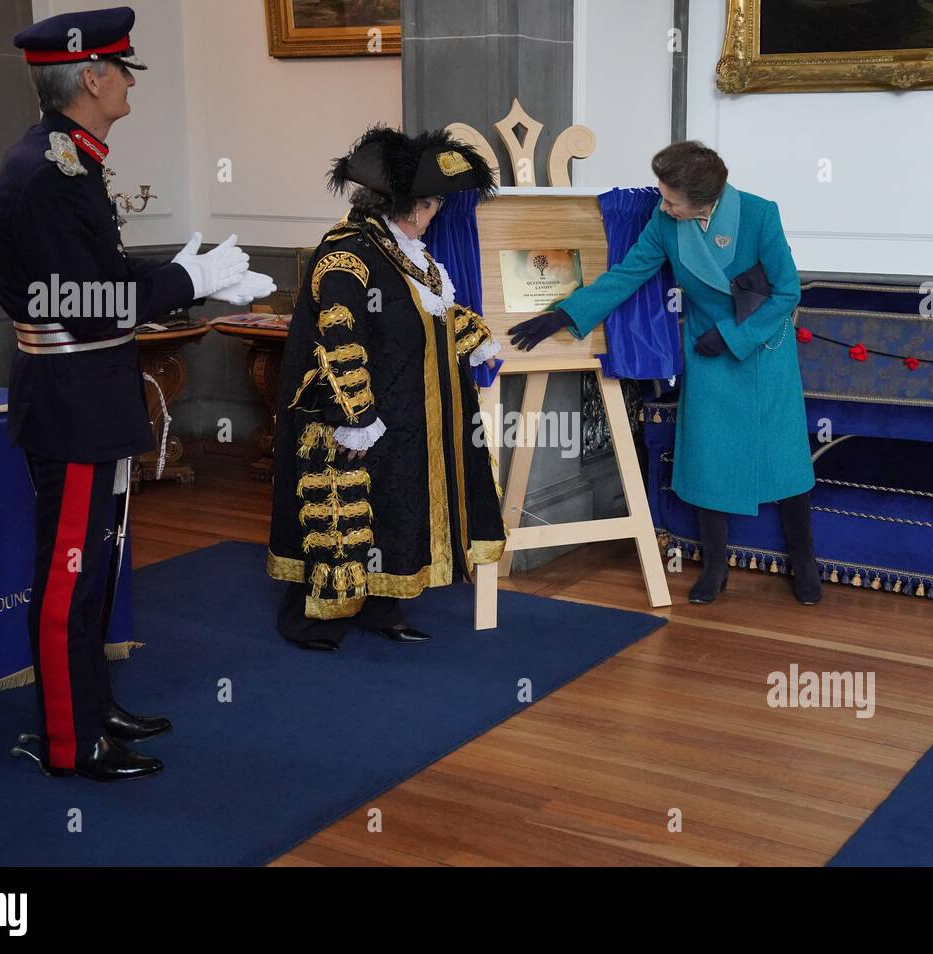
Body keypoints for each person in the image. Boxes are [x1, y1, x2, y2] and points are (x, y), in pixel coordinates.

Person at [0, 6, 274, 780]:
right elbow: (80, 303)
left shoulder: (69, 160)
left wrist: (176, 275)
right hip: (73, 404)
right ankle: (67, 741)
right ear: (91, 76)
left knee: (99, 570)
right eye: (123, 70)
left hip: (95, 395)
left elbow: (99, 284)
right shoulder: (47, 173)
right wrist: (192, 279)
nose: (129, 84)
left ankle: (93, 705)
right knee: (67, 576)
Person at [509, 141, 819, 606]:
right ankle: (716, 568)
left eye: (671, 197)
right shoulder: (666, 219)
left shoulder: (759, 215)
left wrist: (735, 336)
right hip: (707, 351)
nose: (663, 202)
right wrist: (566, 313)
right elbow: (629, 273)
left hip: (761, 350)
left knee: (783, 460)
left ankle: (805, 561)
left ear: (705, 199)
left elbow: (786, 293)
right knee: (710, 458)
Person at [268, 126, 506, 650]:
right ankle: (314, 619)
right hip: (353, 414)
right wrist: (354, 416)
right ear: (409, 206)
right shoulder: (347, 255)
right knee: (339, 514)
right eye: (432, 202)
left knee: (394, 506)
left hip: (404, 409)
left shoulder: (403, 251)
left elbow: (417, 317)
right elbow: (337, 337)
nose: (438, 210)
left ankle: (381, 604)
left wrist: (472, 337)